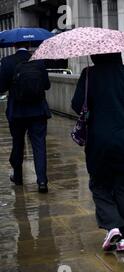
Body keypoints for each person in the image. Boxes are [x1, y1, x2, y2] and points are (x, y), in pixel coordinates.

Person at [71, 52, 124, 253]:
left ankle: (112, 227)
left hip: (100, 142)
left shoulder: (89, 75)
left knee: (100, 185)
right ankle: (122, 238)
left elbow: (76, 105)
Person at [0, 42, 51, 193]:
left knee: (18, 143)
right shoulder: (38, 60)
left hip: (17, 112)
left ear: (14, 45)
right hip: (38, 111)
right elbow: (47, 85)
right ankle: (42, 181)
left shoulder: (7, 61)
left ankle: (18, 176)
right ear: (29, 45)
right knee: (39, 145)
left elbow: (1, 87)